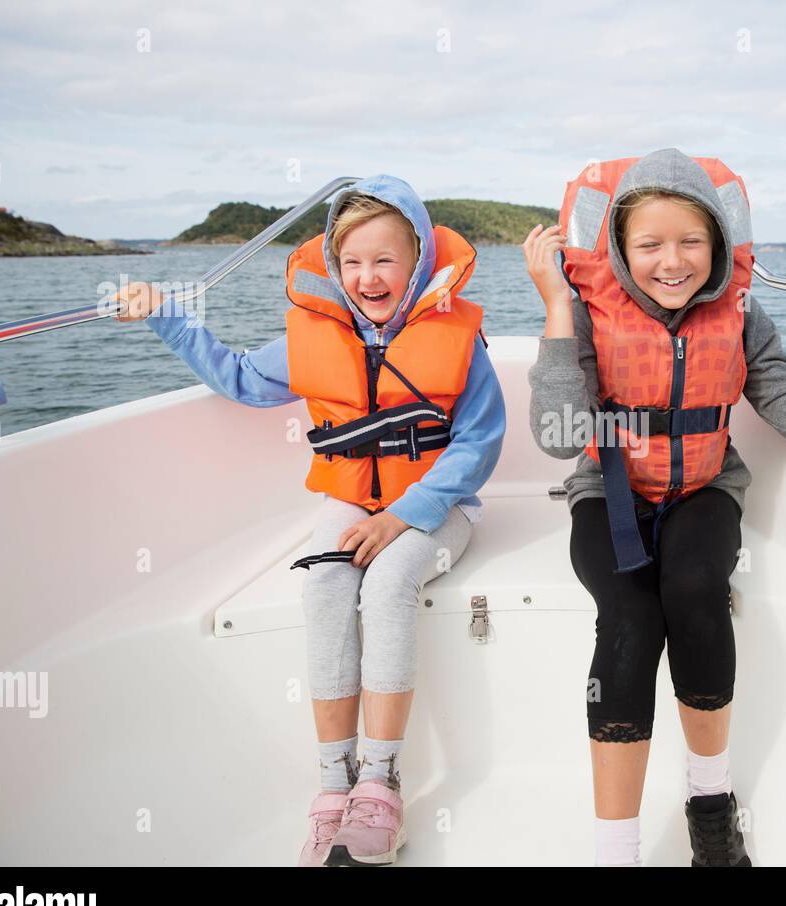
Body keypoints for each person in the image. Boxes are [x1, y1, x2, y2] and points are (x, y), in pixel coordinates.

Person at [523, 148, 786, 866]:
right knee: (629, 618)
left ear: (718, 246)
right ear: (618, 249)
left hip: (706, 490)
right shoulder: (584, 314)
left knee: (695, 590)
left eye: (691, 242)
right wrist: (557, 305)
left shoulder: (741, 316)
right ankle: (616, 851)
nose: (671, 262)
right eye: (649, 244)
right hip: (610, 491)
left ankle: (711, 809)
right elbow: (558, 440)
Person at [115, 174, 505, 866]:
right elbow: (237, 377)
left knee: (387, 587)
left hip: (439, 510)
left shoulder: (458, 338)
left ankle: (381, 783)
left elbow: (479, 443)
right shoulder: (314, 338)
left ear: (416, 261)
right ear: (332, 265)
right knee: (324, 586)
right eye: (351, 262)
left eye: (384, 261)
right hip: (352, 498)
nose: (367, 277)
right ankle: (334, 786)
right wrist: (165, 315)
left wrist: (402, 519)